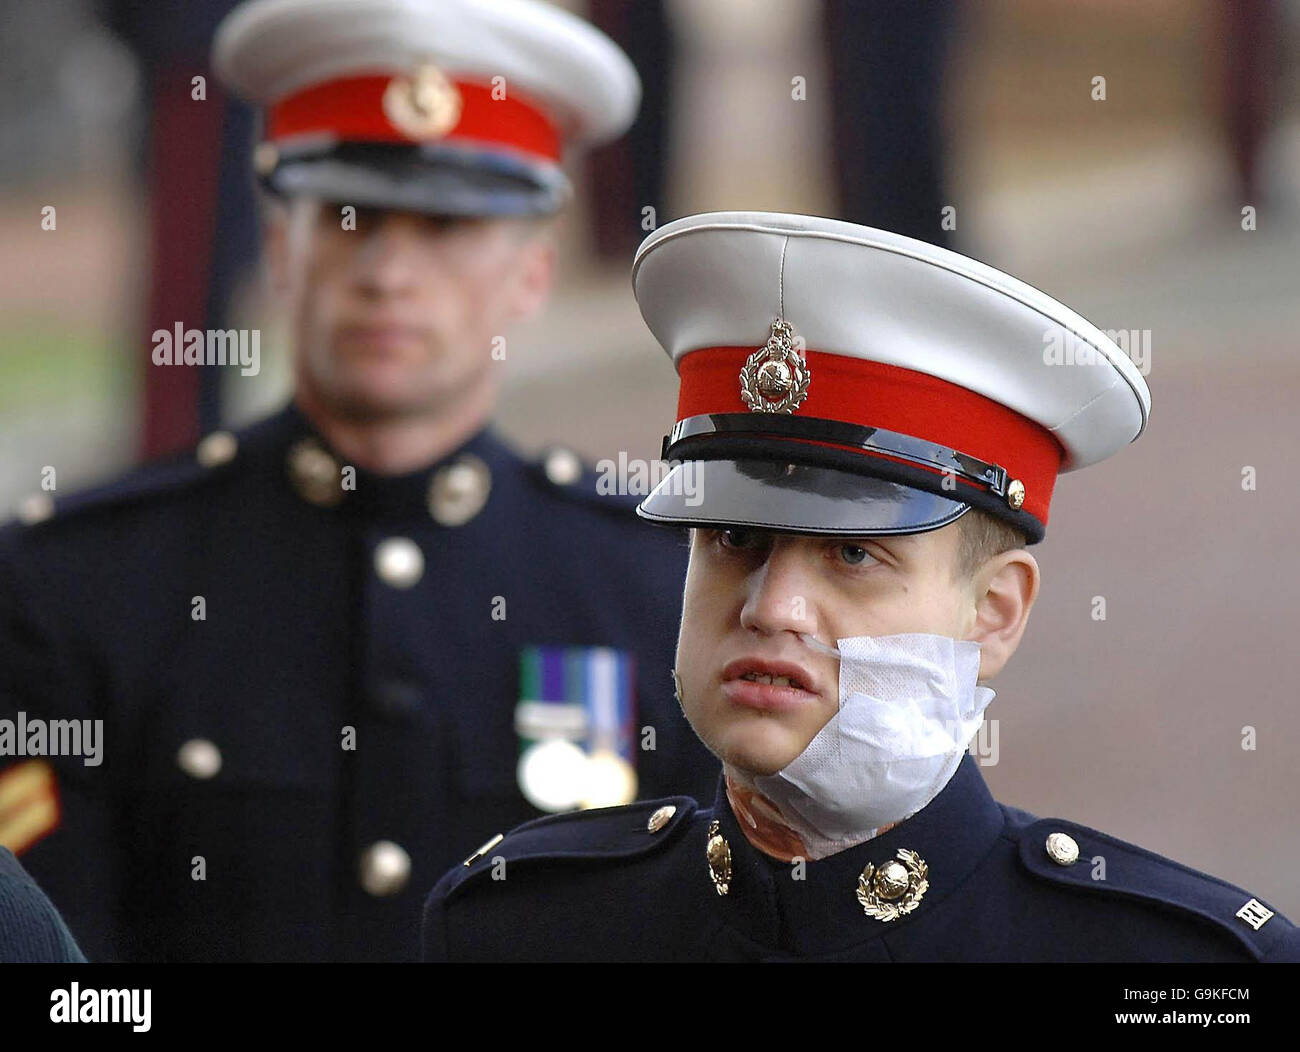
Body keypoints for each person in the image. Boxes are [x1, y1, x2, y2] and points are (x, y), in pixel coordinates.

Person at [0, 0, 717, 963]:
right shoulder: (76, 586)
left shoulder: (651, 589)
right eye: (354, 218)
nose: (390, 271)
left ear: (532, 276)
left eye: (448, 226)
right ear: (284, 248)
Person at [423, 211, 1300, 962]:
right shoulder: (523, 926)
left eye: (853, 556)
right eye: (736, 538)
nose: (771, 607)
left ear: (993, 614)